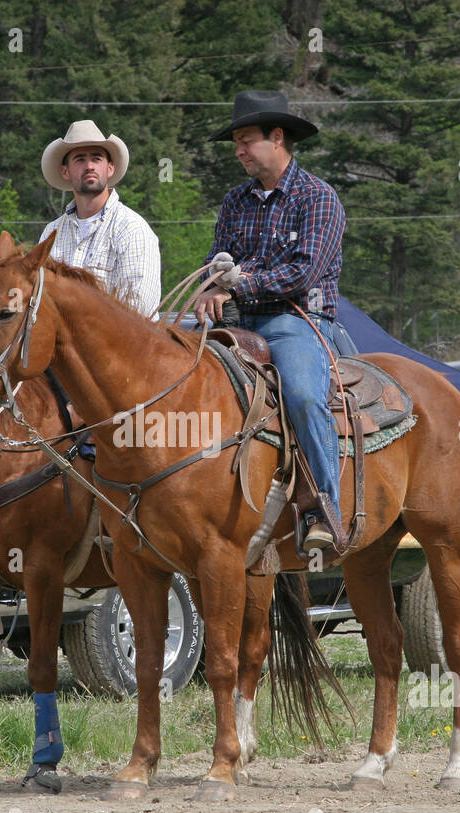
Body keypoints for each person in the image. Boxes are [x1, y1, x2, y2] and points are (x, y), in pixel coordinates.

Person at [197, 90, 347, 553]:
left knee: (301, 393)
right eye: (236, 142)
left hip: (297, 320)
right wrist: (209, 285)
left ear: (277, 138)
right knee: (172, 371)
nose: (239, 151)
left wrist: (237, 283)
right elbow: (214, 260)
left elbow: (302, 273)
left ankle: (324, 508)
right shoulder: (235, 201)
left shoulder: (318, 198)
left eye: (246, 140)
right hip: (239, 322)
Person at [39, 120, 161, 317]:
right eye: (79, 159)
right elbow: (40, 301)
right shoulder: (51, 233)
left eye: (96, 159)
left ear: (110, 168)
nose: (89, 166)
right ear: (65, 171)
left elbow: (138, 309)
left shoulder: (131, 228)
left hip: (123, 345)